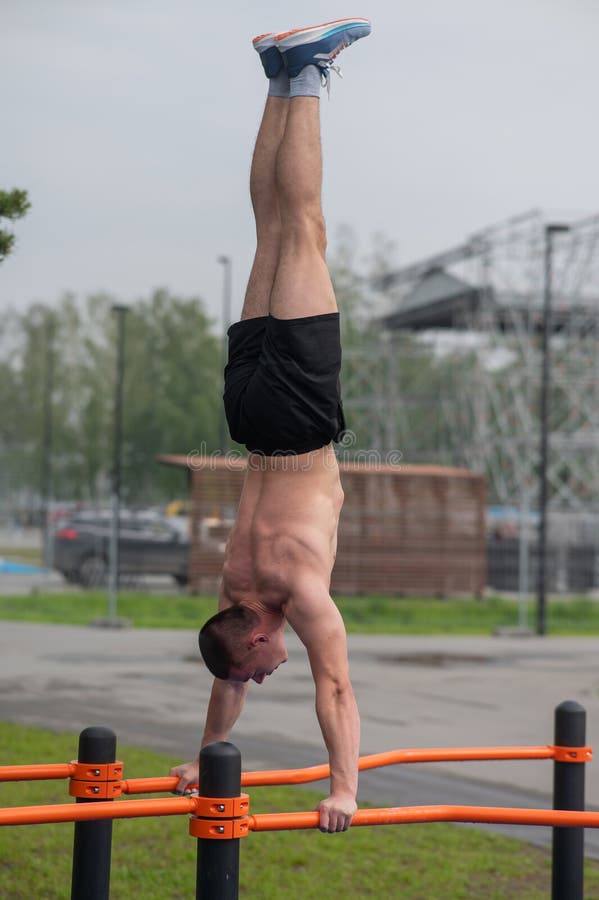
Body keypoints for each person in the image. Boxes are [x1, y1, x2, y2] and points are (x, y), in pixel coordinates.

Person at [170, 17, 371, 834]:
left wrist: (345, 788)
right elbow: (222, 681)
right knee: (272, 229)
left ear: (252, 634)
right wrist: (203, 754)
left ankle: (310, 74)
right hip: (249, 419)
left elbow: (335, 688)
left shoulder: (291, 592)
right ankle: (280, 76)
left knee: (304, 226)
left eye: (256, 670)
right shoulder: (233, 598)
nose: (261, 677)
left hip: (294, 419)